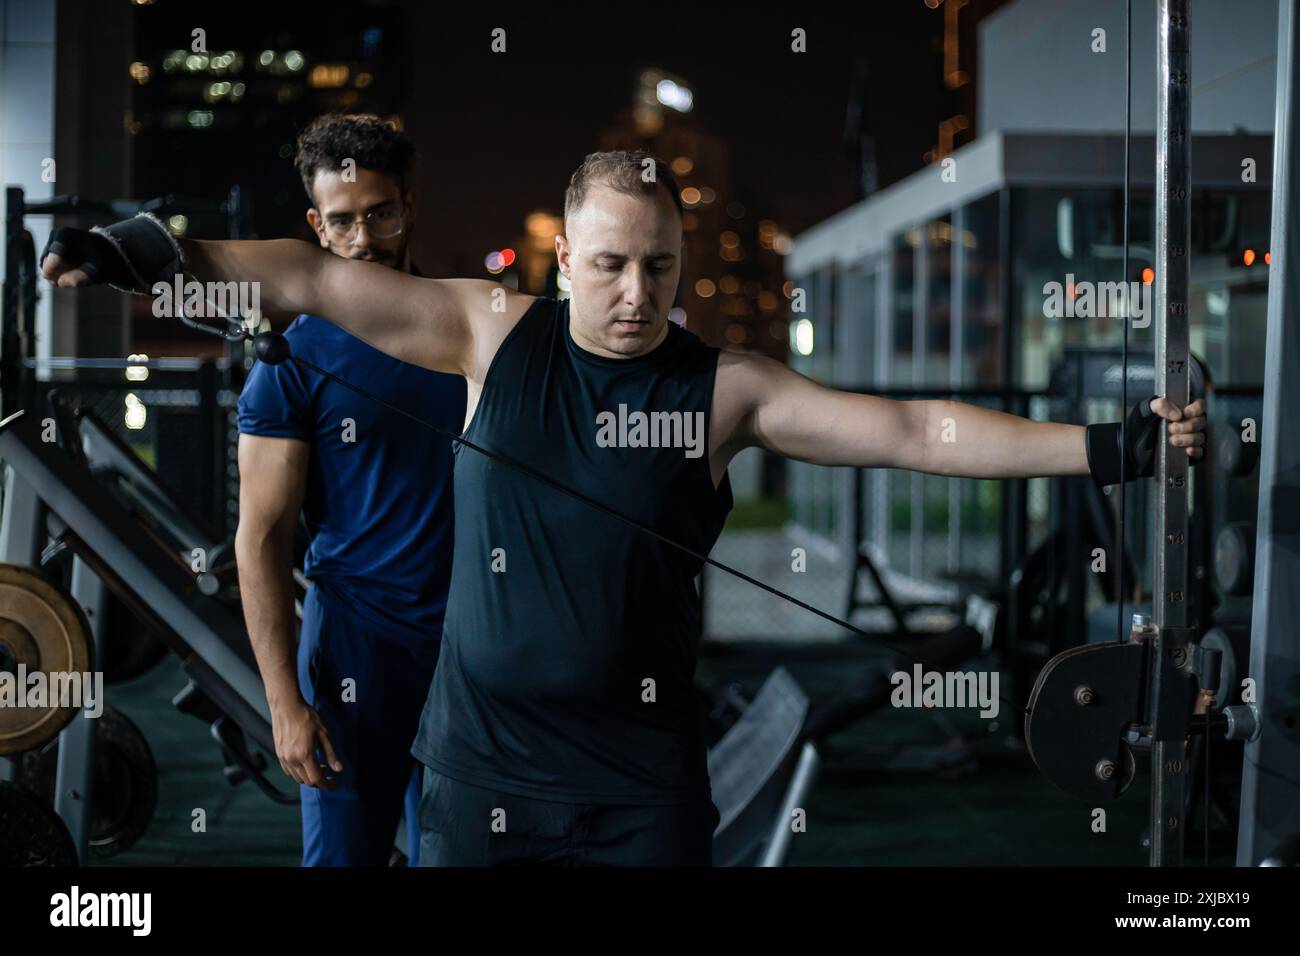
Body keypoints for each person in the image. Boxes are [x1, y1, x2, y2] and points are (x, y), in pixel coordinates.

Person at [41, 149, 1205, 866]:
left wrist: (1110, 445)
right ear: (565, 255)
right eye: (609, 263)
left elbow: (913, 432)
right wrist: (148, 249)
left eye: (660, 264)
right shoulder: (490, 334)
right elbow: (303, 277)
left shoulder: (724, 388)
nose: (637, 291)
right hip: (478, 776)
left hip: (639, 787)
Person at [234, 114, 465, 865]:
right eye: (342, 223)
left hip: (468, 651)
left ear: (411, 207)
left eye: (380, 214)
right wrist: (284, 706)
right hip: (355, 650)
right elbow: (261, 538)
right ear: (315, 226)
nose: (363, 240)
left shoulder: (469, 333)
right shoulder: (289, 359)